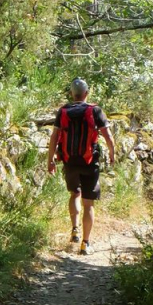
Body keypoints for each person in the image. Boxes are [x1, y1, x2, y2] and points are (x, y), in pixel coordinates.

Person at [47, 78, 115, 255]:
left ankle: (74, 230)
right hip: (89, 162)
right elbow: (107, 136)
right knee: (88, 203)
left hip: (70, 161)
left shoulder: (63, 111)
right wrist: (113, 153)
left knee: (74, 193)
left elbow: (54, 137)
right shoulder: (95, 110)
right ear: (86, 93)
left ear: (72, 93)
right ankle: (85, 243)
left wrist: (50, 160)